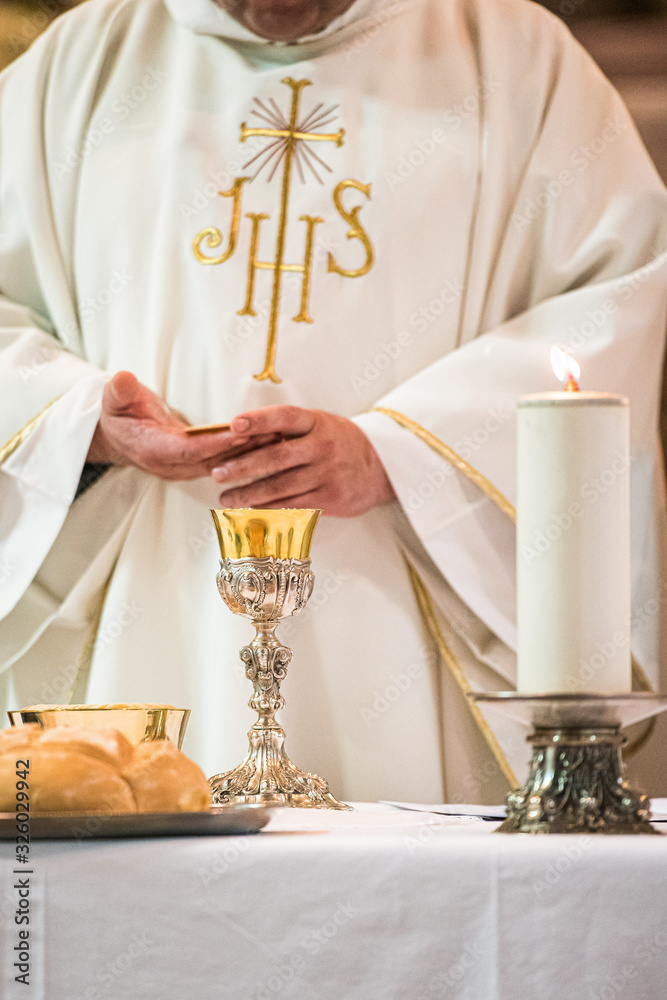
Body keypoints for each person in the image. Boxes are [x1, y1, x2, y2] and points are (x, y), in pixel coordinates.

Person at [0, 0, 666, 803]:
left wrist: (400, 452)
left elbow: (614, 306)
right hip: (153, 586)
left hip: (406, 599)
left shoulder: (518, 58)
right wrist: (82, 421)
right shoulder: (81, 62)